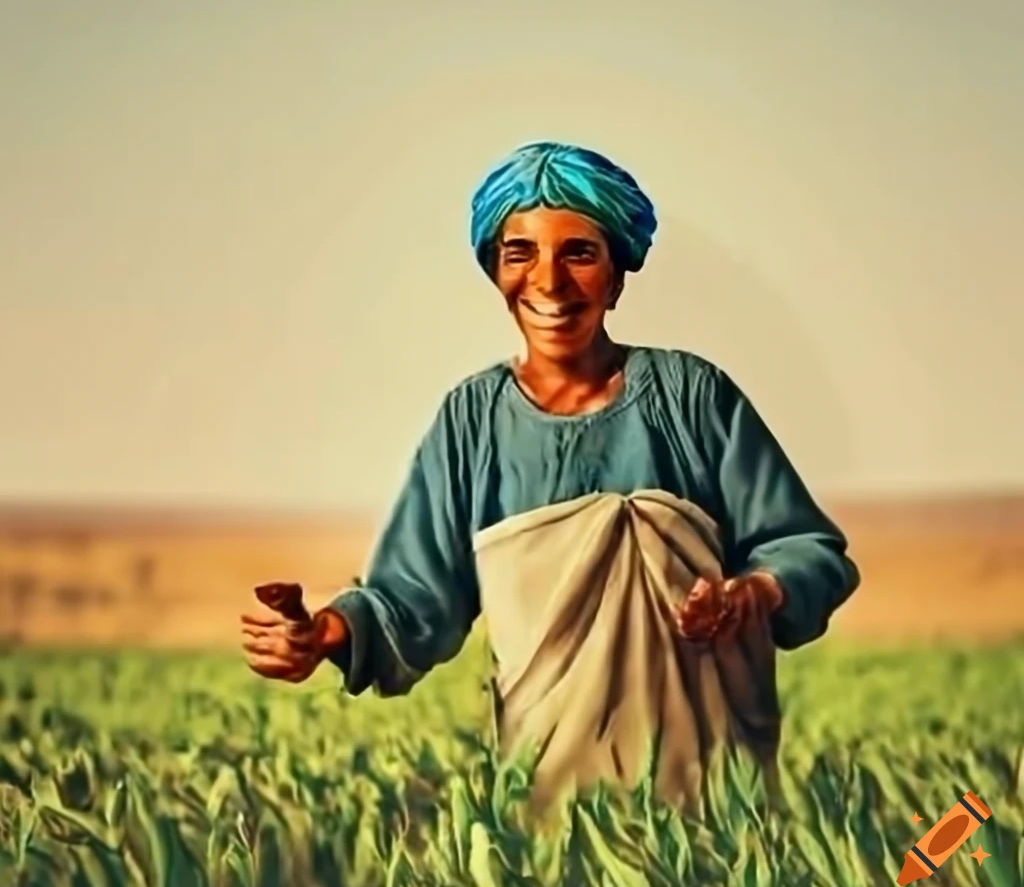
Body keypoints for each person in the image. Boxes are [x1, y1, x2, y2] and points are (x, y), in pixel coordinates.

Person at [241, 141, 860, 811]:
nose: (549, 281)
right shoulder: (473, 420)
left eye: (579, 253)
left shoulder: (691, 398)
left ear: (618, 274)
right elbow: (415, 595)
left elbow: (808, 551)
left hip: (710, 794)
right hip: (545, 795)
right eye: (521, 254)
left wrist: (755, 593)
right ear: (494, 271)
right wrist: (326, 633)